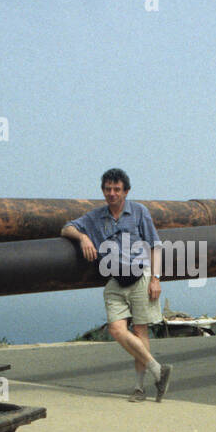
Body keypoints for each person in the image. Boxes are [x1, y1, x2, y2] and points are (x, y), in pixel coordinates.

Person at [61, 168, 172, 402]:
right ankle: (158, 370)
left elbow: (155, 246)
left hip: (140, 277)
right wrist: (83, 237)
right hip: (114, 279)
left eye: (117, 189)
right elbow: (66, 227)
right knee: (116, 330)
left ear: (126, 191)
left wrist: (156, 279)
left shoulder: (139, 212)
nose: (112, 193)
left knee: (140, 331)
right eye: (108, 189)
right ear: (103, 191)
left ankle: (140, 389)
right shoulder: (95, 217)